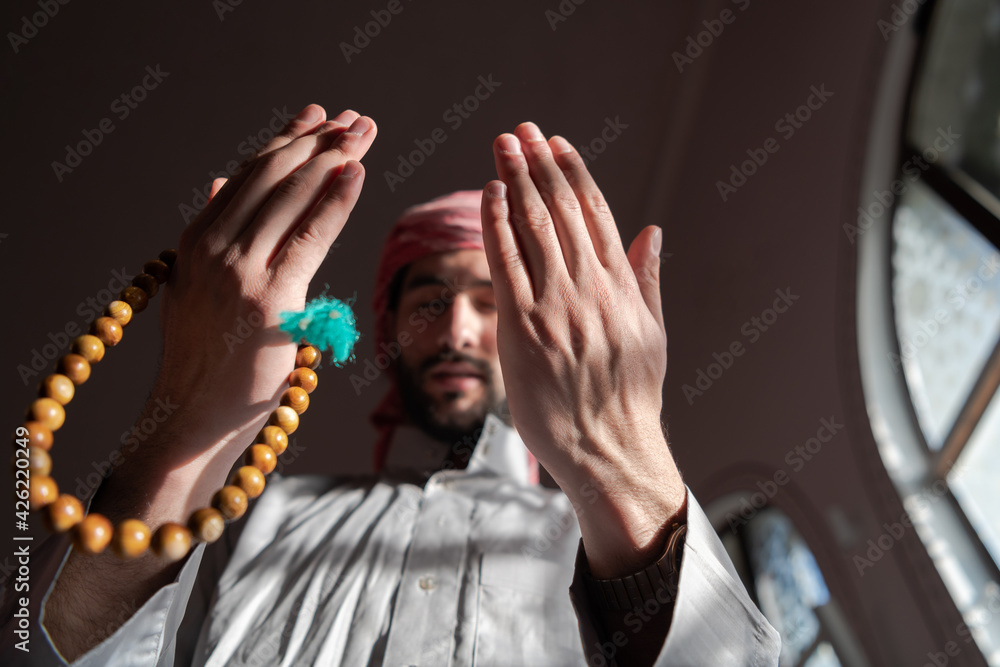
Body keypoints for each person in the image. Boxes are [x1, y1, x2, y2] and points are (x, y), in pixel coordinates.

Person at [1, 105, 779, 665]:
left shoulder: (604, 543)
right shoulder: (260, 513)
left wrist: (623, 456)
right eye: (431, 302)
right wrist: (186, 424)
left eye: (494, 307)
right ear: (385, 332)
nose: (459, 331)